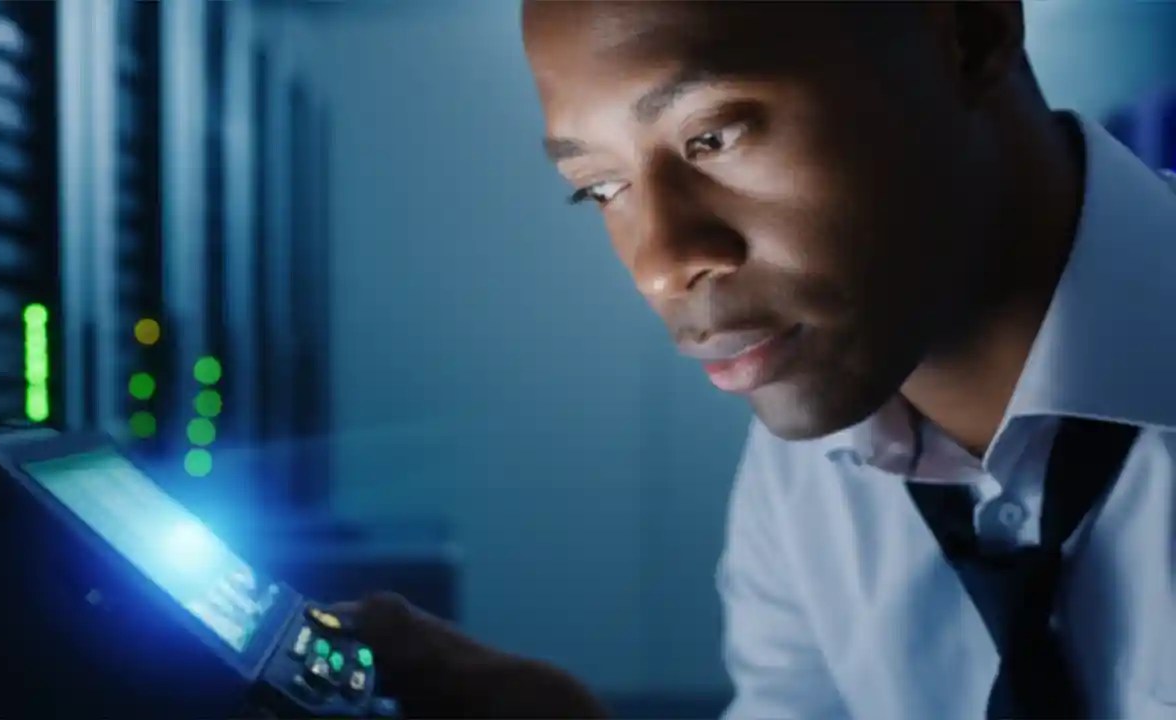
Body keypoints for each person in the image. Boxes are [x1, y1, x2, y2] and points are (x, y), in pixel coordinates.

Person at [343, 2, 1176, 718]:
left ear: (968, 32)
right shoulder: (806, 472)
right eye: (600, 188)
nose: (660, 263)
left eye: (712, 136)